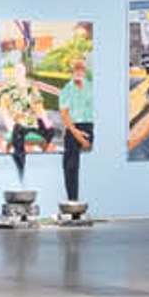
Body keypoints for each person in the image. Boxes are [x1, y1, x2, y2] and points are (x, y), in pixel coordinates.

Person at [57, 59, 94, 202]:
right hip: (72, 127)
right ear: (72, 72)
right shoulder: (66, 90)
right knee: (70, 165)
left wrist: (83, 137)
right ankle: (73, 200)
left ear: (84, 72)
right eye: (76, 69)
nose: (79, 72)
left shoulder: (91, 87)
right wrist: (77, 134)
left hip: (88, 126)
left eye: (81, 69)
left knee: (76, 151)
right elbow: (65, 115)